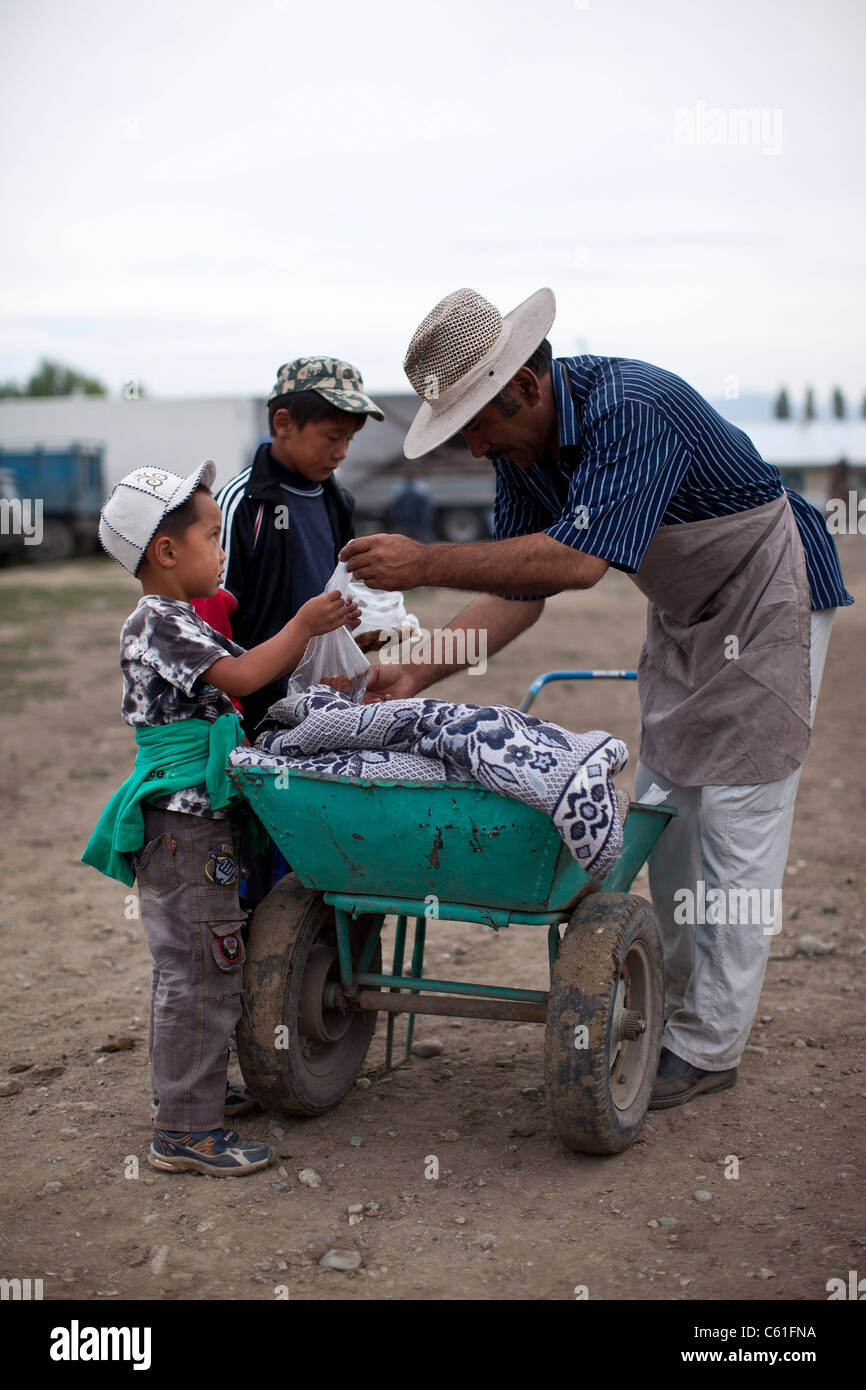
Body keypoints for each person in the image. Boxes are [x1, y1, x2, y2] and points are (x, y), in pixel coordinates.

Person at [343, 286, 853, 1109]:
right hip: (689, 613)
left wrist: (425, 561)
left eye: (480, 422)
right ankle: (676, 1014)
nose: (476, 446)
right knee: (669, 814)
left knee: (738, 818)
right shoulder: (523, 457)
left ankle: (709, 1046)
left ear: (529, 386)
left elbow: (577, 563)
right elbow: (521, 588)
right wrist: (415, 671)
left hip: (769, 595)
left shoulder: (632, 409)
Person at [82, 462, 360, 1174]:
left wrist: (336, 645)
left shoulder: (183, 622)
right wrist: (303, 620)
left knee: (203, 970)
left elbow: (261, 670)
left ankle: (192, 1099)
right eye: (211, 536)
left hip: (202, 828)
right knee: (200, 975)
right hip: (183, 830)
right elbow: (242, 679)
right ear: (166, 552)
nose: (223, 548)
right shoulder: (155, 621)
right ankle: (183, 1133)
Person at [216, 356, 384, 738]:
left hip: (322, 702)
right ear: (284, 424)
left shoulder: (339, 501)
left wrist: (350, 621)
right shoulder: (241, 504)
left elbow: (330, 590)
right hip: (254, 710)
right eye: (332, 437)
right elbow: (214, 622)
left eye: (349, 439)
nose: (341, 452)